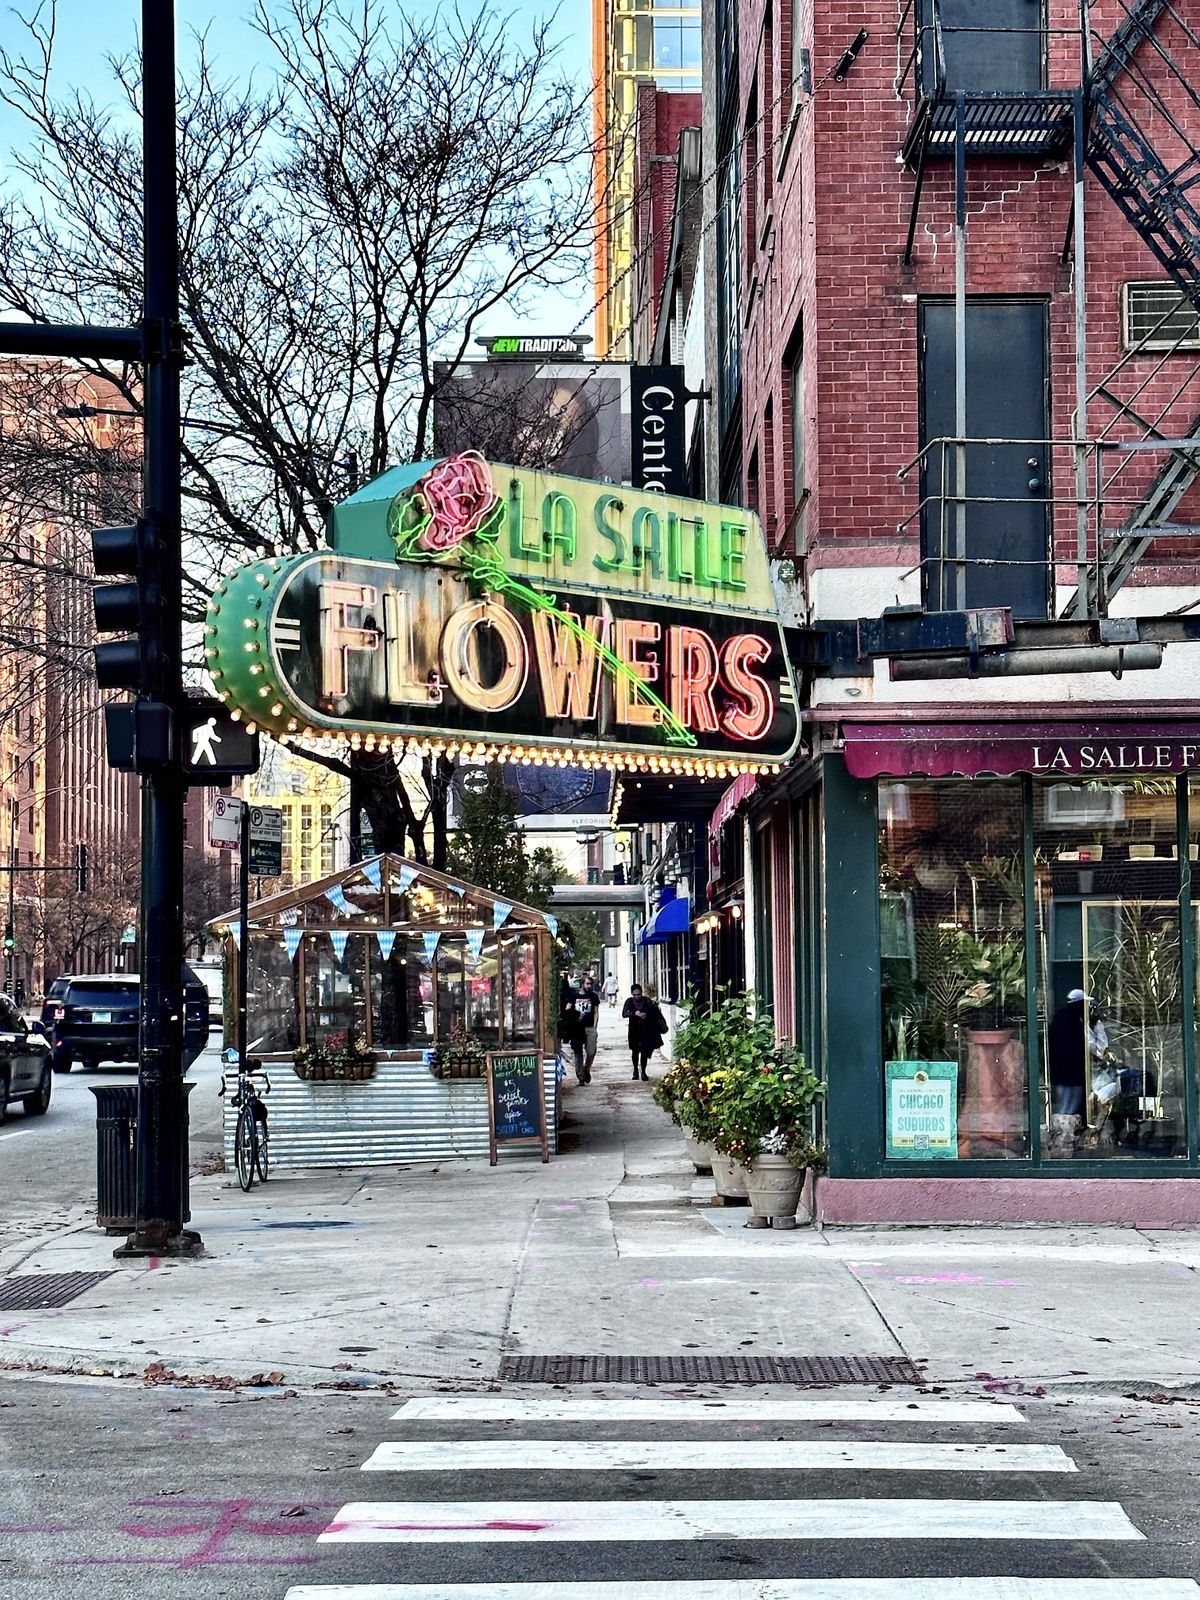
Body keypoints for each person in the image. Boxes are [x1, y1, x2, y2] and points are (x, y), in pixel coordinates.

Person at [622, 983, 666, 1082]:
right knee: (635, 1051)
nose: (637, 996)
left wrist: (646, 1015)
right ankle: (635, 1070)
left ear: (641, 993)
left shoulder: (647, 1001)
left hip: (645, 1029)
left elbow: (654, 1012)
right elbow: (624, 1013)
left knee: (644, 1051)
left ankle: (643, 1071)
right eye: (635, 994)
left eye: (638, 994)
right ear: (632, 994)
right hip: (634, 1030)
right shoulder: (629, 1001)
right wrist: (634, 1013)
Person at [558, 994, 587, 1085]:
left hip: (578, 1033)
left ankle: (582, 1073)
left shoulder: (572, 1013)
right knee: (578, 1054)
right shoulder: (571, 1013)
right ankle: (581, 1075)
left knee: (579, 1053)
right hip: (576, 1034)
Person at [576, 976, 600, 1080]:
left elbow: (595, 1012)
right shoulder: (574, 996)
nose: (589, 986)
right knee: (578, 1053)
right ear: (582, 984)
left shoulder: (594, 997)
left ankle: (587, 1068)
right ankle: (580, 1076)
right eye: (587, 983)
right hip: (577, 1028)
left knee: (591, 1051)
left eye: (590, 984)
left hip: (590, 1027)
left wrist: (595, 1026)